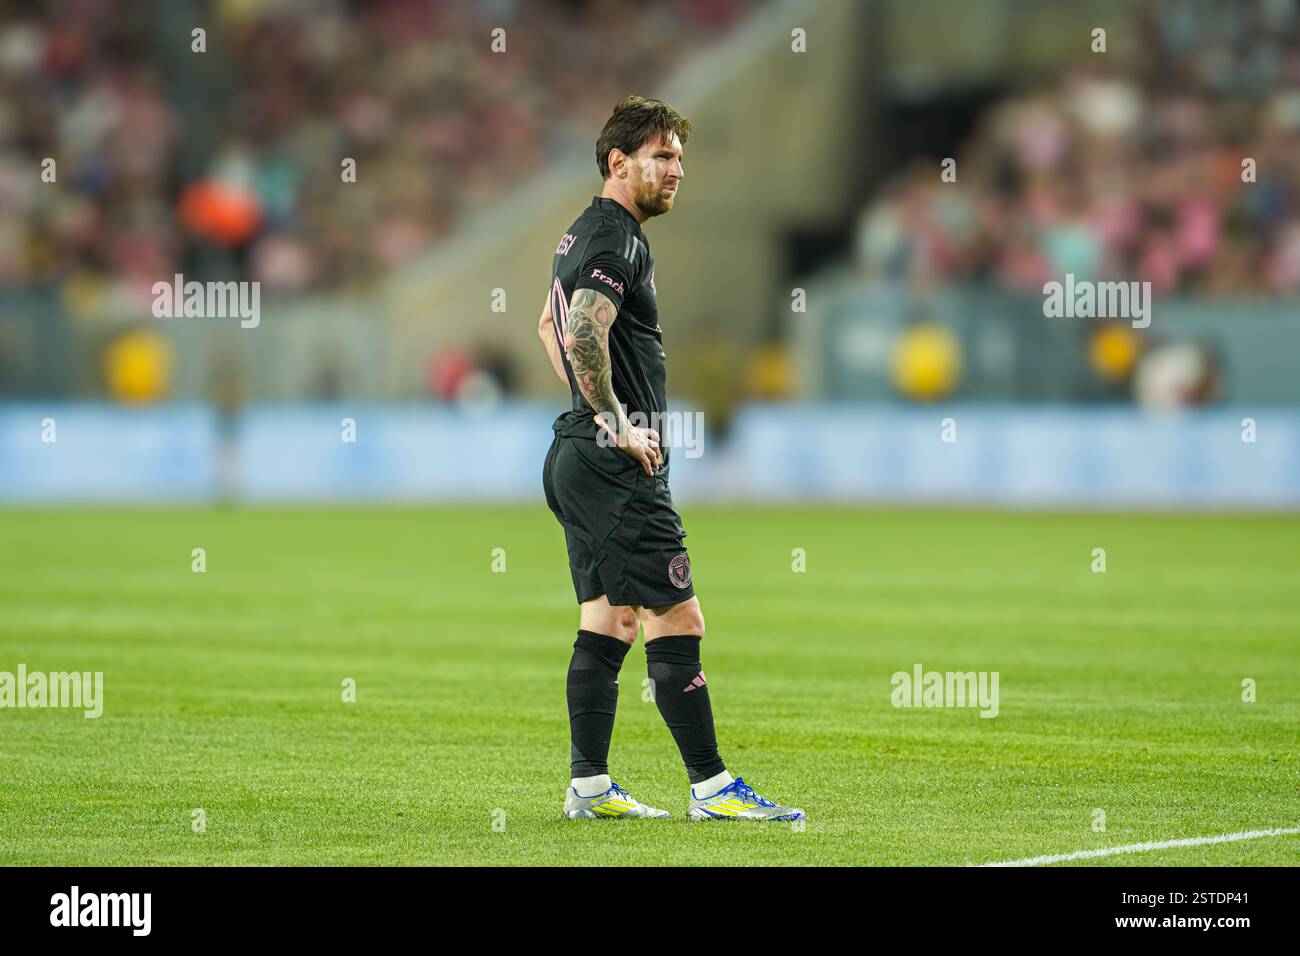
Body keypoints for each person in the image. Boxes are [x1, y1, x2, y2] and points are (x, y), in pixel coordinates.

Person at [538, 95, 804, 822]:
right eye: (662, 156)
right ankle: (713, 789)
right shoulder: (616, 240)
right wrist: (617, 421)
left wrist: (590, 413)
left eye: (680, 157)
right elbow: (585, 335)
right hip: (610, 463)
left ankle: (589, 787)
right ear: (618, 162)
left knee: (609, 621)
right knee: (677, 618)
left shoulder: (580, 235)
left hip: (574, 456)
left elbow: (550, 325)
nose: (677, 170)